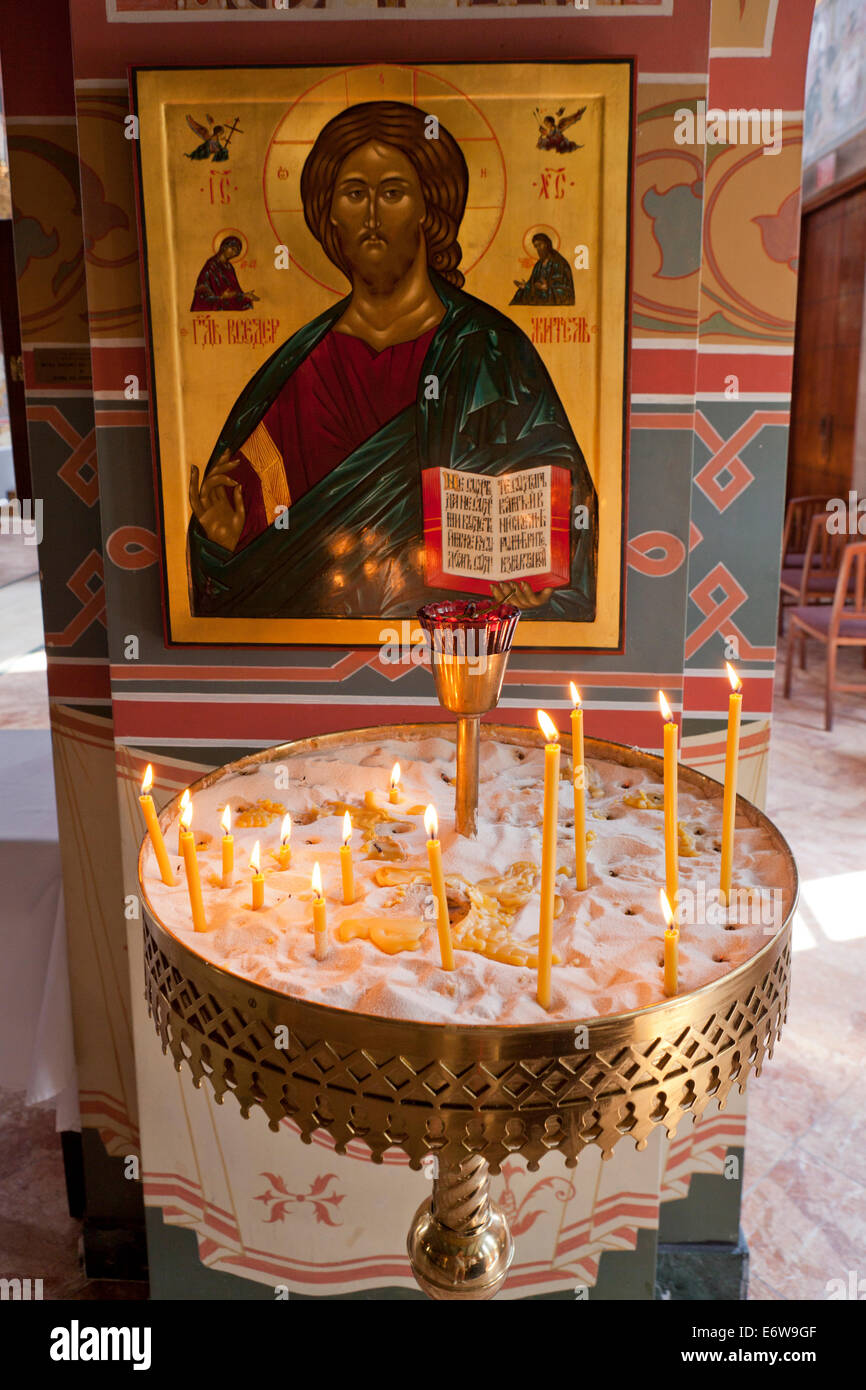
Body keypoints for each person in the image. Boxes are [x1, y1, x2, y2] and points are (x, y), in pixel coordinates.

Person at [187, 101, 597, 622]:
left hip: (454, 646)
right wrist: (220, 546)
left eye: (393, 193)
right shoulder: (299, 367)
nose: (373, 215)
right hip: (306, 659)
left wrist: (542, 578)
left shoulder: (491, 349)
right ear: (329, 211)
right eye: (355, 193)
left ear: (429, 206)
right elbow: (242, 562)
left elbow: (562, 511)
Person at [190, 237, 258, 312]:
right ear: (224, 247)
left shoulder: (229, 267)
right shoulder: (211, 265)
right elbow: (203, 288)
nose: (234, 253)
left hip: (228, 299)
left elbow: (235, 288)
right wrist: (221, 297)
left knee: (247, 301)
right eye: (232, 249)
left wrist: (243, 295)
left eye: (237, 252)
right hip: (213, 301)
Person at [511, 234, 575, 306]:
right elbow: (533, 282)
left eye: (540, 245)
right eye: (536, 246)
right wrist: (526, 286)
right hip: (541, 292)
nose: (538, 248)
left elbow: (563, 286)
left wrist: (547, 287)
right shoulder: (539, 264)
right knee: (521, 292)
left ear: (547, 244)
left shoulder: (558, 262)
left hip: (555, 293)